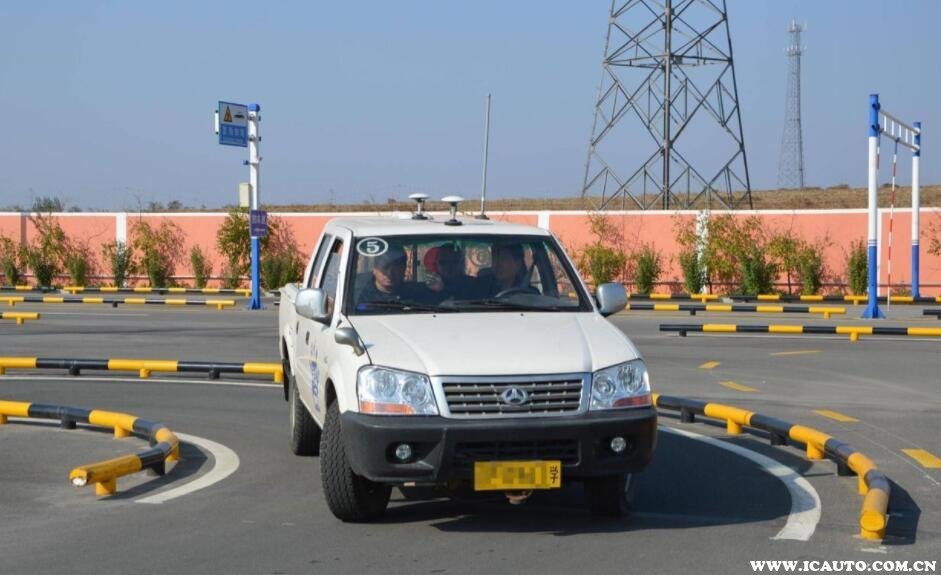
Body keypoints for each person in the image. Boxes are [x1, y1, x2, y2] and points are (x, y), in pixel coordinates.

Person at [354, 245, 430, 307]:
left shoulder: (417, 294)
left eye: (396, 268)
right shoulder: (358, 294)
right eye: (385, 267)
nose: (389, 273)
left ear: (404, 269)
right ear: (374, 269)